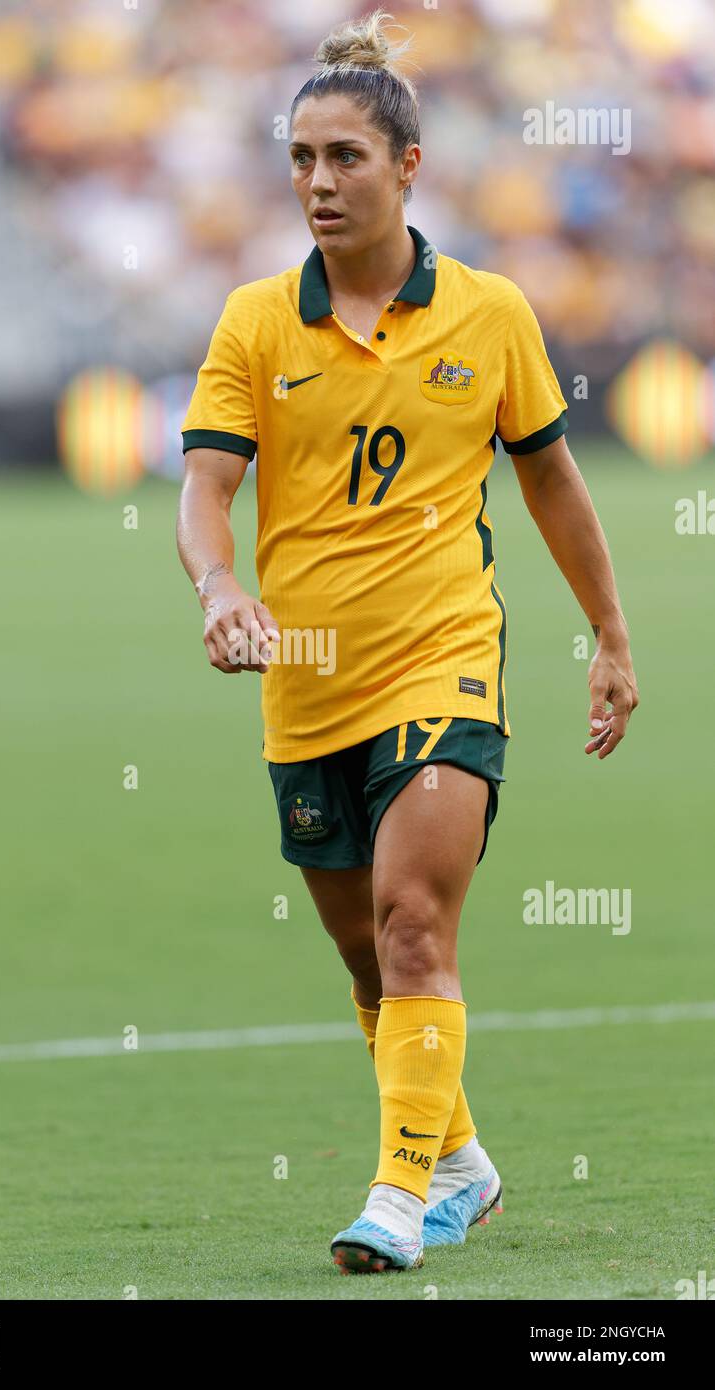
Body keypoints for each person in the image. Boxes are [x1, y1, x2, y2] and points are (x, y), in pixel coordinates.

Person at [176, 9, 639, 1274]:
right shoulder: (257, 323)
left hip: (443, 661)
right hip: (303, 683)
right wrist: (219, 586)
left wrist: (606, 631)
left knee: (414, 926)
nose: (318, 184)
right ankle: (462, 1159)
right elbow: (207, 488)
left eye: (344, 158)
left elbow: (549, 482)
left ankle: (391, 1198)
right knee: (365, 960)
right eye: (301, 160)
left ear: (408, 165)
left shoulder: (488, 315)